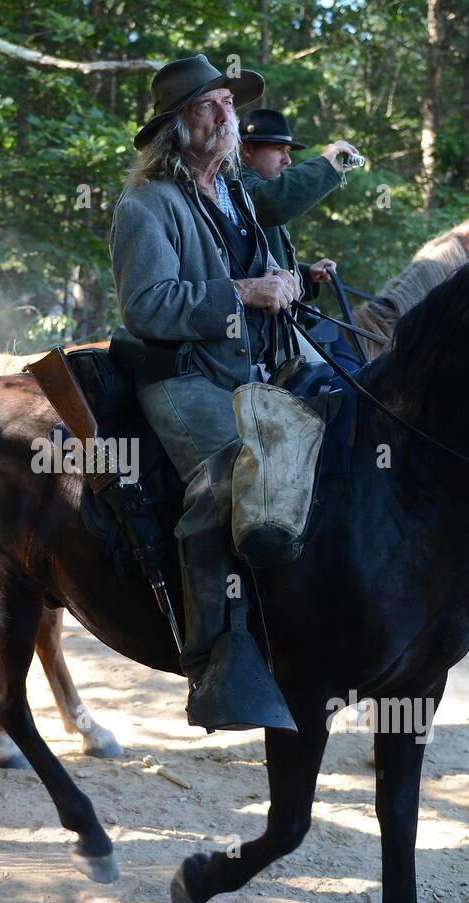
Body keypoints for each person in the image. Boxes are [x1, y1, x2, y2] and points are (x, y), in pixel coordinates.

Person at [109, 55, 331, 732]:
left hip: (252, 370)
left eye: (227, 104)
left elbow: (260, 275)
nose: (224, 115)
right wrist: (244, 293)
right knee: (228, 480)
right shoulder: (146, 205)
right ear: (175, 130)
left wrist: (285, 283)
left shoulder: (236, 198)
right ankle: (217, 661)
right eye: (205, 107)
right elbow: (147, 305)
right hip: (181, 376)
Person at [239, 108, 359, 360]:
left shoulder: (256, 185)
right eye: (278, 150)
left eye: (288, 152)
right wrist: (327, 165)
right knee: (332, 377)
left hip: (273, 330)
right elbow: (272, 204)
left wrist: (306, 274)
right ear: (246, 150)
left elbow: (263, 262)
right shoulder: (238, 185)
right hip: (252, 341)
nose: (287, 160)